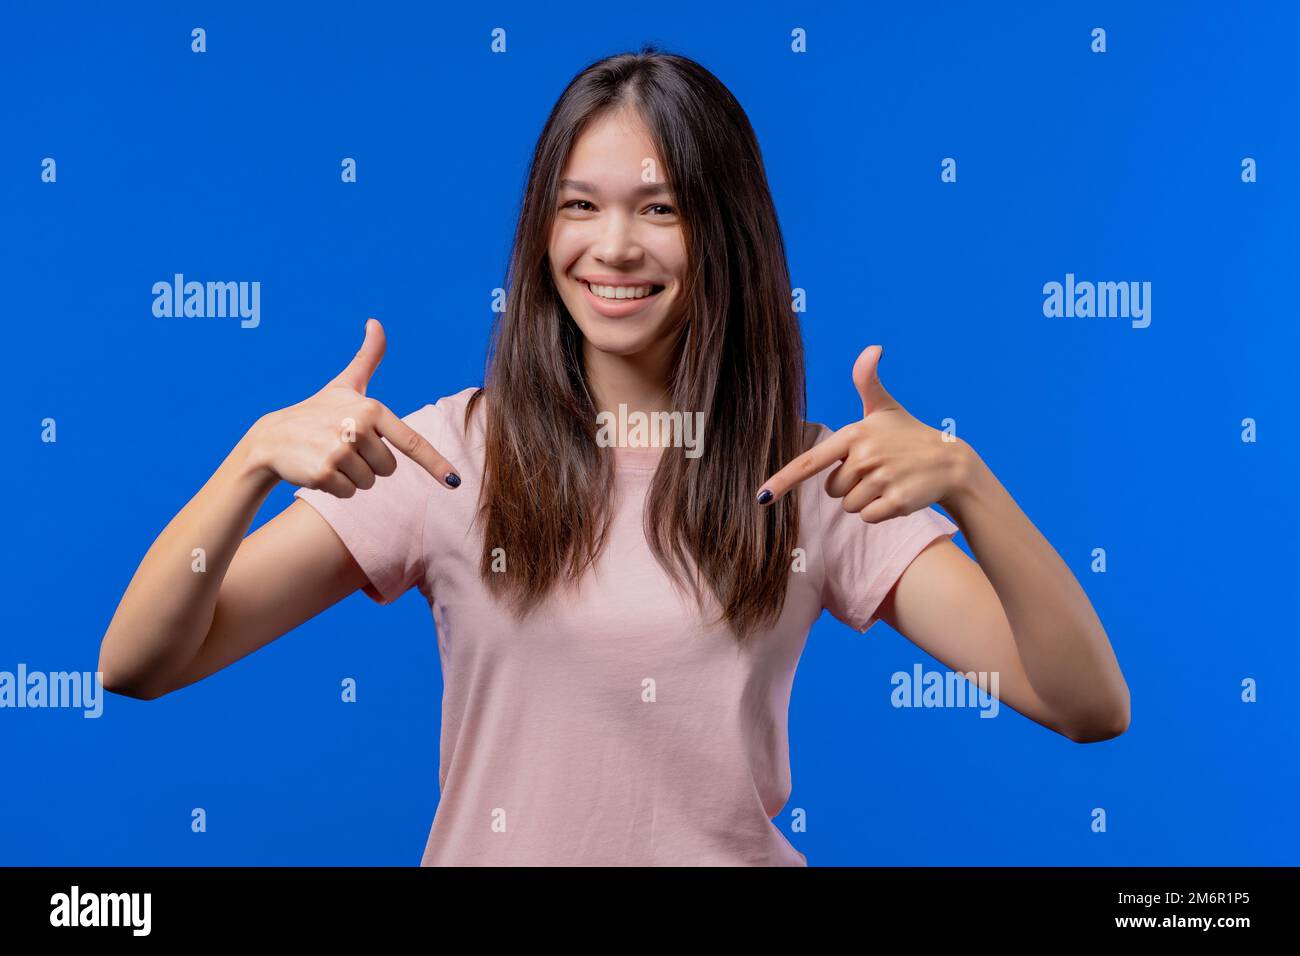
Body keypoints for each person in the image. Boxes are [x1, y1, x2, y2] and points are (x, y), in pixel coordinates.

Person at [97, 46, 1130, 866]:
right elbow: (140, 664)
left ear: (724, 231)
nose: (614, 248)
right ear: (542, 230)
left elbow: (1087, 705)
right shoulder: (449, 452)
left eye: (661, 207)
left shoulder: (810, 478)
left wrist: (971, 484)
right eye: (579, 205)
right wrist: (247, 465)